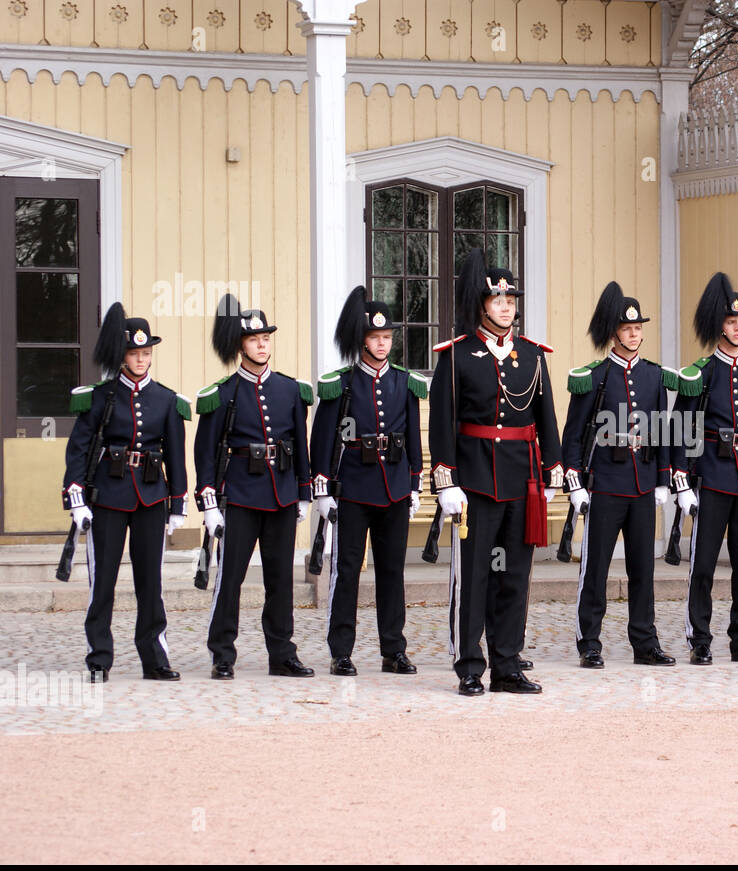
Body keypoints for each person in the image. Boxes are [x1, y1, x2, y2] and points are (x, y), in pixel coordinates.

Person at [429, 250, 564, 696]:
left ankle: (506, 665)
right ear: (482, 305)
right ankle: (469, 665)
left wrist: (552, 470)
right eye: (497, 300)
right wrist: (445, 480)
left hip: (520, 481)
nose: (505, 307)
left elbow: (546, 418)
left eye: (510, 300)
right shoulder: (456, 355)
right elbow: (443, 422)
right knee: (474, 577)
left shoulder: (532, 355)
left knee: (513, 577)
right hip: (474, 483)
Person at [63, 304, 189, 682]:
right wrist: (77, 498)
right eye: (134, 353)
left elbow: (176, 455)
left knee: (151, 582)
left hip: (151, 496)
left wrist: (177, 503)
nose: (140, 359)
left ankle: (155, 659)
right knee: (103, 582)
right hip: (109, 496)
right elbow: (79, 450)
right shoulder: (99, 397)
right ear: (122, 355)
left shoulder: (167, 400)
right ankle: (99, 657)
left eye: (146, 353)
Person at [195, 295, 315, 679]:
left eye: (266, 337)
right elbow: (206, 452)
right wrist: (209, 502)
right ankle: (222, 654)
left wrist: (304, 492)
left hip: (281, 494)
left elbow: (300, 443)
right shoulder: (222, 394)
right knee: (230, 579)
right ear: (240, 346)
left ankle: (282, 653)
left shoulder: (290, 390)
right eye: (254, 339)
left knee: (280, 580)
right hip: (241, 496)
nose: (262, 344)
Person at [310, 286, 426, 676]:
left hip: (393, 487)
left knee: (392, 572)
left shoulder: (404, 383)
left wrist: (413, 484)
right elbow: (323, 439)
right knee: (347, 571)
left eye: (387, 337)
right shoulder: (340, 384)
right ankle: (340, 650)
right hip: (354, 488)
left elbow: (412, 437)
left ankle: (393, 649)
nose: (381, 344)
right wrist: (322, 486)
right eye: (375, 338)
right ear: (362, 340)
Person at [562, 281, 676, 668]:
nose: (634, 334)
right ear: (614, 333)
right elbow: (573, 432)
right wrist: (574, 479)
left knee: (643, 568)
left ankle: (645, 642)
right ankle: (589, 642)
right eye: (628, 329)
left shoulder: (654, 377)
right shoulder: (593, 377)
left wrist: (663, 479)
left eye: (638, 328)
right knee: (595, 568)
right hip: (605, 484)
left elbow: (662, 430)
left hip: (642, 483)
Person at [670, 272, 738, 665]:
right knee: (702, 565)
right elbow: (680, 428)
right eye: (732, 322)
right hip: (712, 477)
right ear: (720, 326)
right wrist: (681, 479)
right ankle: (699, 638)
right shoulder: (700, 374)